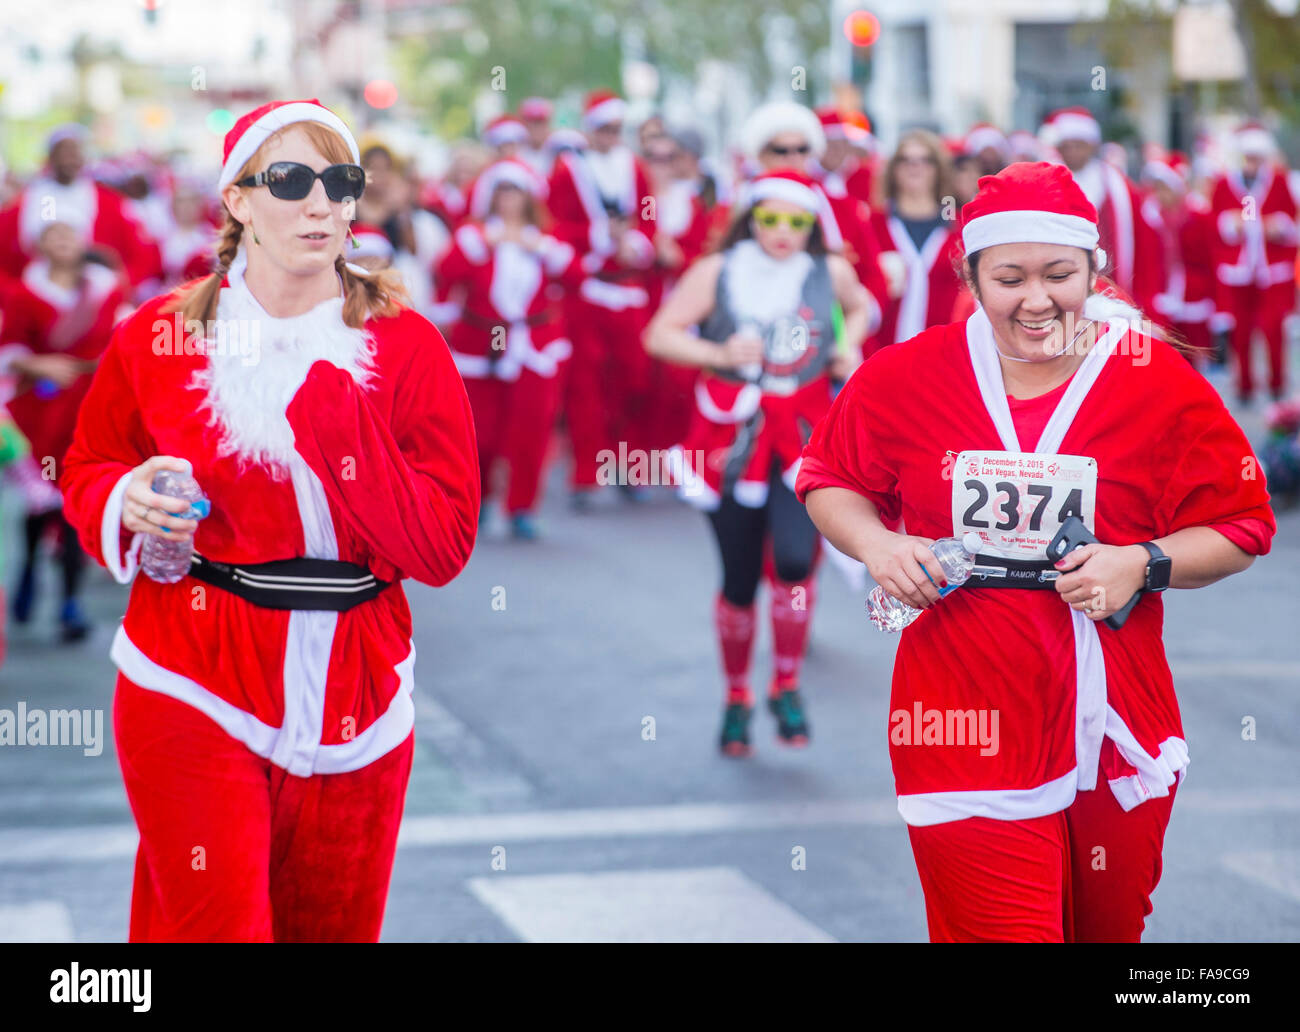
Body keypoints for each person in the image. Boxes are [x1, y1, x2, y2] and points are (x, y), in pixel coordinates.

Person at [797, 162, 1275, 942]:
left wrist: (1141, 563)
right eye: (1008, 278)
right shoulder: (907, 375)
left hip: (1114, 711)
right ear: (970, 277)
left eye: (1059, 274)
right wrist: (878, 545)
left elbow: (1241, 525)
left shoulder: (1157, 383)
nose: (1035, 299)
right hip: (962, 714)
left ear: (1096, 270)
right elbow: (829, 477)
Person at [59, 99, 480, 942]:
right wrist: (122, 498)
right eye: (290, 180)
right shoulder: (159, 336)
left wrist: (328, 407)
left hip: (360, 690)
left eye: (341, 181)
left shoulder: (406, 346)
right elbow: (88, 465)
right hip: (191, 670)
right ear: (239, 200)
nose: (321, 203)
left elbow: (439, 548)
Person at [645, 169, 871, 757]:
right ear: (750, 218)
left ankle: (787, 682)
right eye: (770, 218)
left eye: (797, 221)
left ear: (812, 224)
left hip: (803, 439)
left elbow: (861, 307)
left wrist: (850, 345)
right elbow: (660, 334)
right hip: (731, 438)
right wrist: (715, 351)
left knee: (796, 562)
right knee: (740, 580)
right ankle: (738, 696)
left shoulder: (831, 271)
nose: (783, 232)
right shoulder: (717, 270)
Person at [433, 159, 580, 539]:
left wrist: (542, 248)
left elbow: (576, 274)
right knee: (480, 433)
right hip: (483, 346)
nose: (509, 199)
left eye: (516, 191)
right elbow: (446, 272)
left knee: (532, 431)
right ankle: (477, 500)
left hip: (534, 347)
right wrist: (484, 243)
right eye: (502, 190)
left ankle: (522, 507)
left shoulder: (545, 236)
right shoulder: (474, 234)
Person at [1, 221, 126, 640]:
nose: (64, 243)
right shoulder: (24, 295)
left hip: (88, 405)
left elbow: (121, 343)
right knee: (44, 502)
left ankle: (70, 602)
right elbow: (10, 348)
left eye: (69, 236)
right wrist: (40, 365)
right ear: (40, 246)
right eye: (54, 236)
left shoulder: (105, 292)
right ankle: (29, 570)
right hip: (41, 408)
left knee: (73, 503)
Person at [547, 89, 658, 508]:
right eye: (604, 129)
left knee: (634, 379)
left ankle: (629, 466)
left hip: (629, 289)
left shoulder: (636, 169)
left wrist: (638, 242)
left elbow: (649, 216)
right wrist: (600, 237)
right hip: (588, 291)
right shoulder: (568, 171)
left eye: (617, 129)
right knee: (585, 385)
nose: (612, 136)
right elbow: (556, 228)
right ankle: (586, 474)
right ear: (590, 130)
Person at [0, 125, 157, 297]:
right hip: (39, 296)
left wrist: (120, 286)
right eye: (62, 152)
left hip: (96, 298)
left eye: (74, 152)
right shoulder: (33, 200)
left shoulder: (110, 202)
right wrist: (14, 293)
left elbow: (143, 253)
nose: (68, 159)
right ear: (50, 157)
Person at [1208, 122, 1298, 402]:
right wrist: (1230, 224)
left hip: (1271, 270)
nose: (1253, 163)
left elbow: (1292, 221)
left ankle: (1277, 384)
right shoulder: (1225, 183)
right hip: (1238, 271)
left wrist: (1277, 226)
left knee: (1273, 328)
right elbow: (1215, 224)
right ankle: (1245, 385)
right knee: (1241, 331)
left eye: (1257, 157)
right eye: (1249, 157)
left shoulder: (1279, 180)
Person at [1043, 107, 1160, 313]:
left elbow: (1143, 242)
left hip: (1111, 287)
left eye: (1080, 145)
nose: (1073, 151)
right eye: (1067, 145)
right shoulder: (1044, 183)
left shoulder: (1119, 186)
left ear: (1093, 146)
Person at [866, 129, 964, 358]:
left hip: (945, 356)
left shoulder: (959, 227)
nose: (915, 167)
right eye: (905, 160)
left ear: (938, 169)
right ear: (893, 169)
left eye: (925, 160)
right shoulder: (871, 223)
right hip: (880, 355)